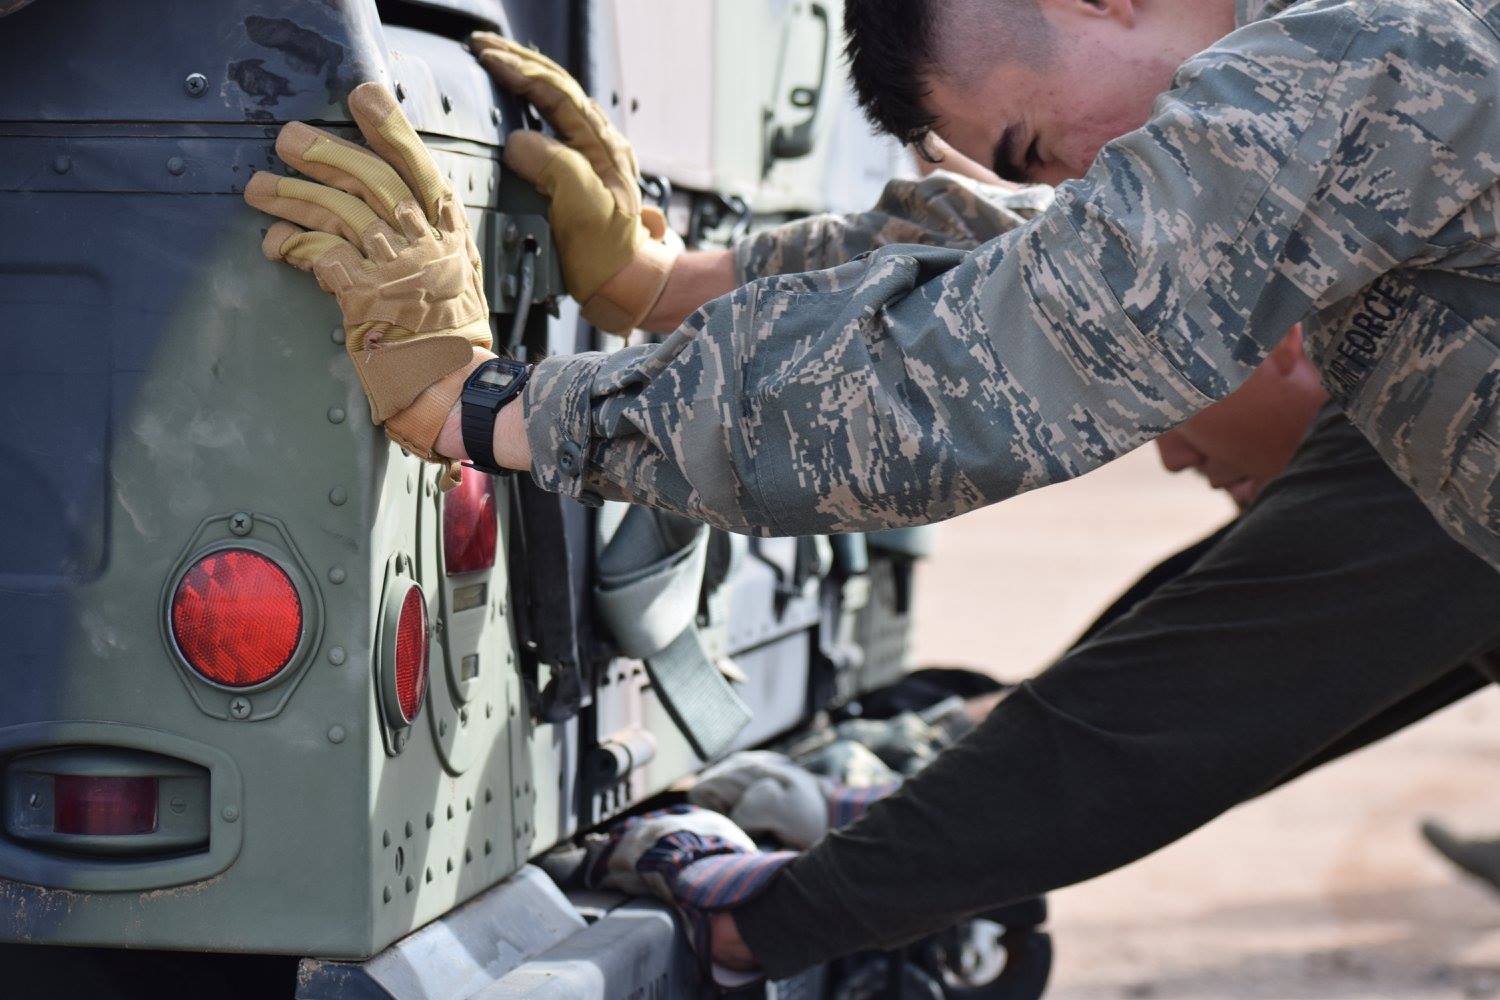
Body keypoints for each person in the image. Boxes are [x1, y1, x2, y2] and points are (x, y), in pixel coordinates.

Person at [239, 0, 1500, 981]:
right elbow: (1037, 251)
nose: (1067, 184)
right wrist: (673, 283)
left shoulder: (1349, 67)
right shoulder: (1360, 86)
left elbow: (988, 365)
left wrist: (493, 408)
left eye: (1040, 146)